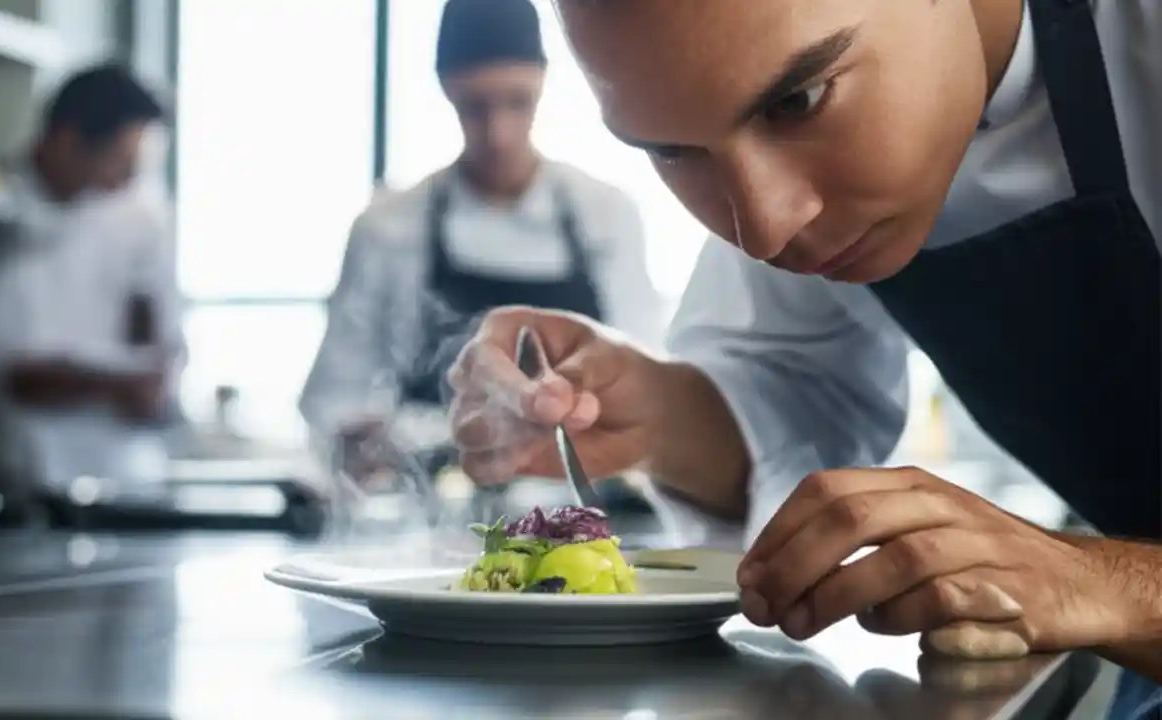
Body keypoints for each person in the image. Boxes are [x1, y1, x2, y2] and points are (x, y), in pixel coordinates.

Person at [446, 0, 1161, 700]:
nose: (763, 229)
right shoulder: (780, 185)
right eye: (669, 149)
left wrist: (1107, 586)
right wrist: (656, 420)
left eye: (800, 100)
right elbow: (793, 399)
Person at [299, 0, 662, 479]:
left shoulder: (607, 216)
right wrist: (363, 441)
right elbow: (332, 401)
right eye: (476, 107)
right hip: (438, 510)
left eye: (517, 102)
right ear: (446, 91)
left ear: (543, 82)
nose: (499, 133)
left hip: (582, 499)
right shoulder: (388, 229)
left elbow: (645, 383)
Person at [0, 64, 184, 505]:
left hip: (124, 487)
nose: (124, 179)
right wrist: (110, 384)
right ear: (66, 141)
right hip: (11, 483)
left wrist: (100, 383)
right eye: (118, 161)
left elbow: (159, 367)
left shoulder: (138, 222)